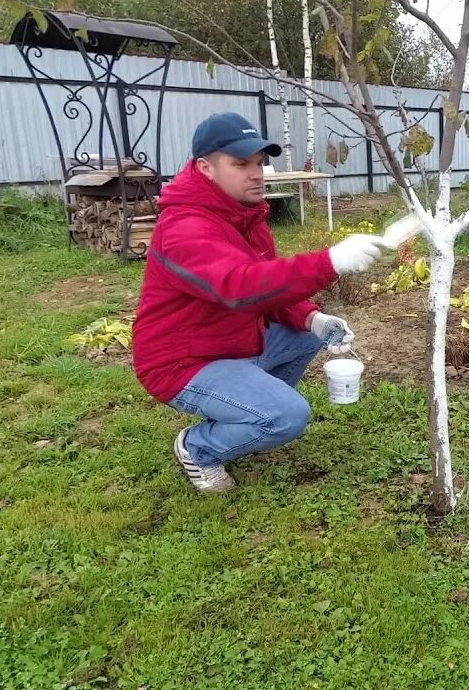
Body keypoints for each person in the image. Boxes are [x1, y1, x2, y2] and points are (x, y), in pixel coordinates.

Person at [132, 112, 388, 493]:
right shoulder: (184, 228)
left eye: (259, 163)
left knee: (306, 334)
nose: (257, 173)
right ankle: (199, 447)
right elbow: (239, 286)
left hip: (228, 342)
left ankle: (250, 414)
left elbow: (267, 287)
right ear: (206, 168)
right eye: (240, 164)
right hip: (182, 362)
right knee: (289, 416)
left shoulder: (245, 215)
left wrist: (311, 317)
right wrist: (329, 261)